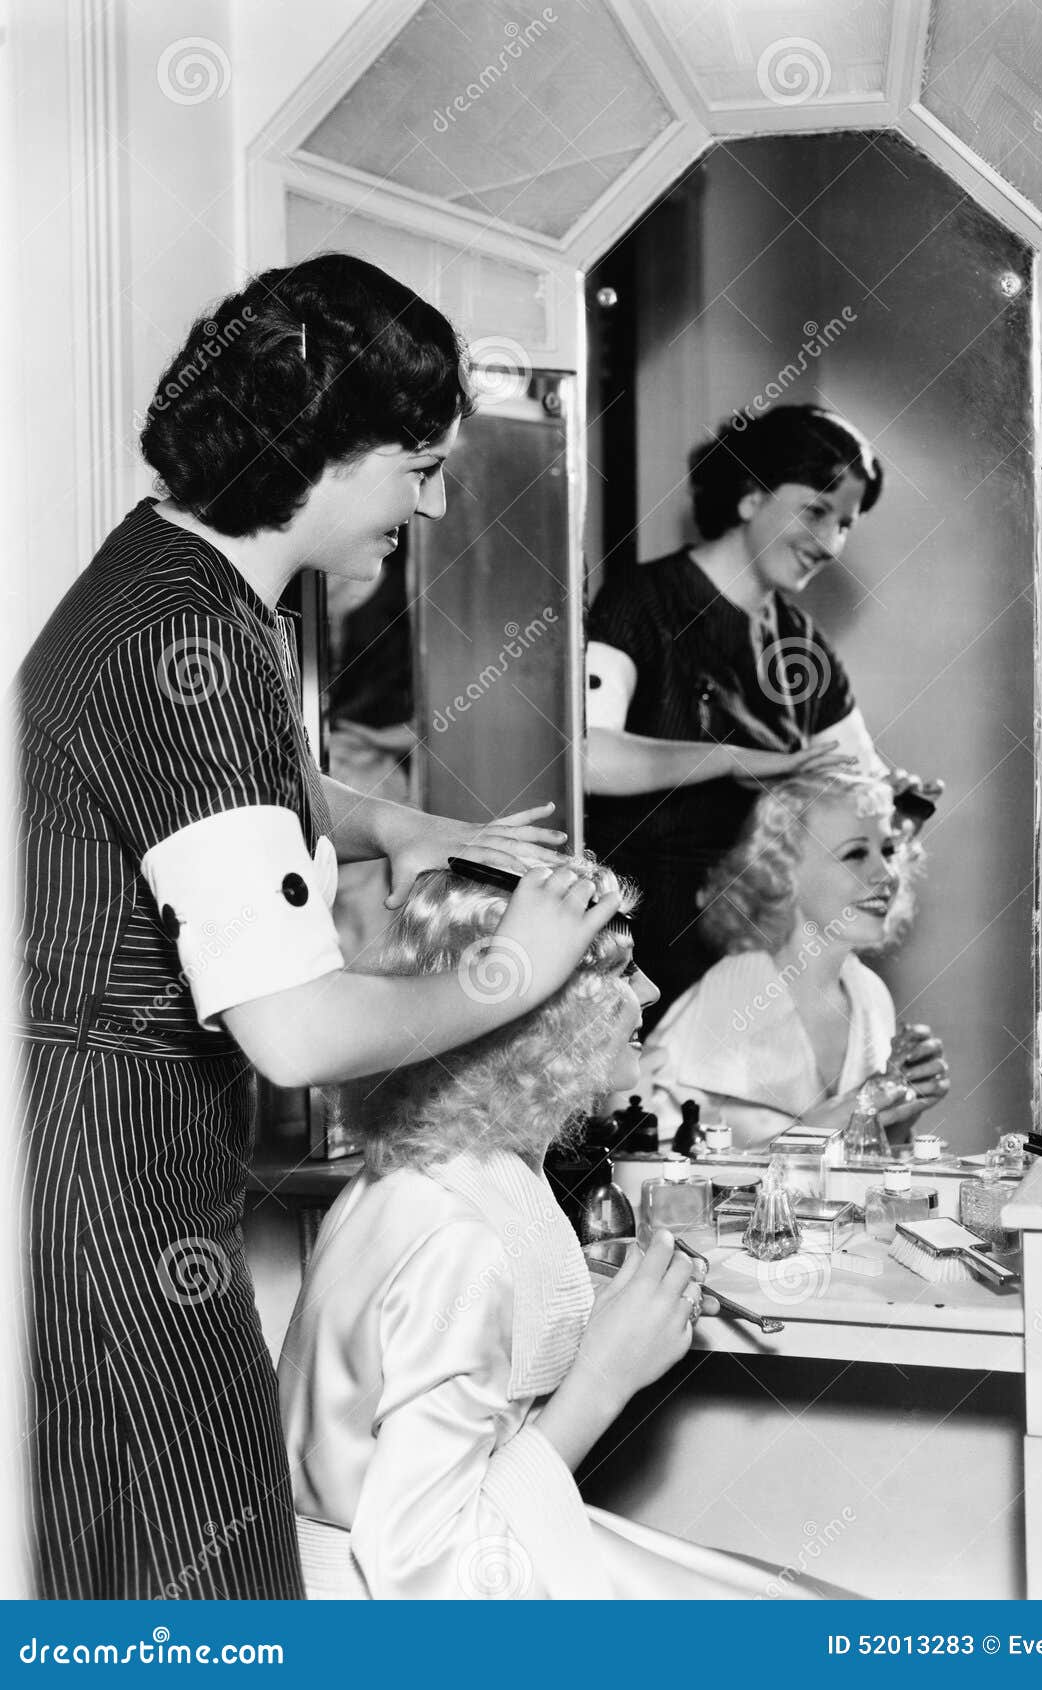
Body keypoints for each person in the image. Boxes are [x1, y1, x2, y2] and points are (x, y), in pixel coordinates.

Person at [14, 253, 613, 1600]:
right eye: (418, 465)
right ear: (327, 453)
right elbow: (296, 1033)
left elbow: (218, 799)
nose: (437, 499)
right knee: (183, 1570)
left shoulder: (184, 580)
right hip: (121, 1164)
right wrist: (514, 969)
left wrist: (389, 824)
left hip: (115, 1150)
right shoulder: (199, 649)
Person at [277, 859, 854, 1599]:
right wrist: (604, 1377)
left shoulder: (419, 1173)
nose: (649, 991)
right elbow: (423, 1580)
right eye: (621, 974)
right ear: (542, 1011)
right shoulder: (466, 1239)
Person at [584, 404, 940, 1019]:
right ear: (750, 496)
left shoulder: (802, 644)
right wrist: (733, 761)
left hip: (758, 956)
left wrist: (893, 801)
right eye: (815, 511)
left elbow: (857, 780)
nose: (830, 543)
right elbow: (588, 756)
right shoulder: (638, 601)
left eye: (846, 524)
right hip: (642, 943)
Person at [641, 772, 949, 1150]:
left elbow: (857, 1169)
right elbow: (664, 1177)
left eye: (887, 851)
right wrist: (847, 1113)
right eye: (855, 854)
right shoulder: (728, 999)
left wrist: (900, 1114)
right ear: (783, 872)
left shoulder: (869, 993)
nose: (886, 874)